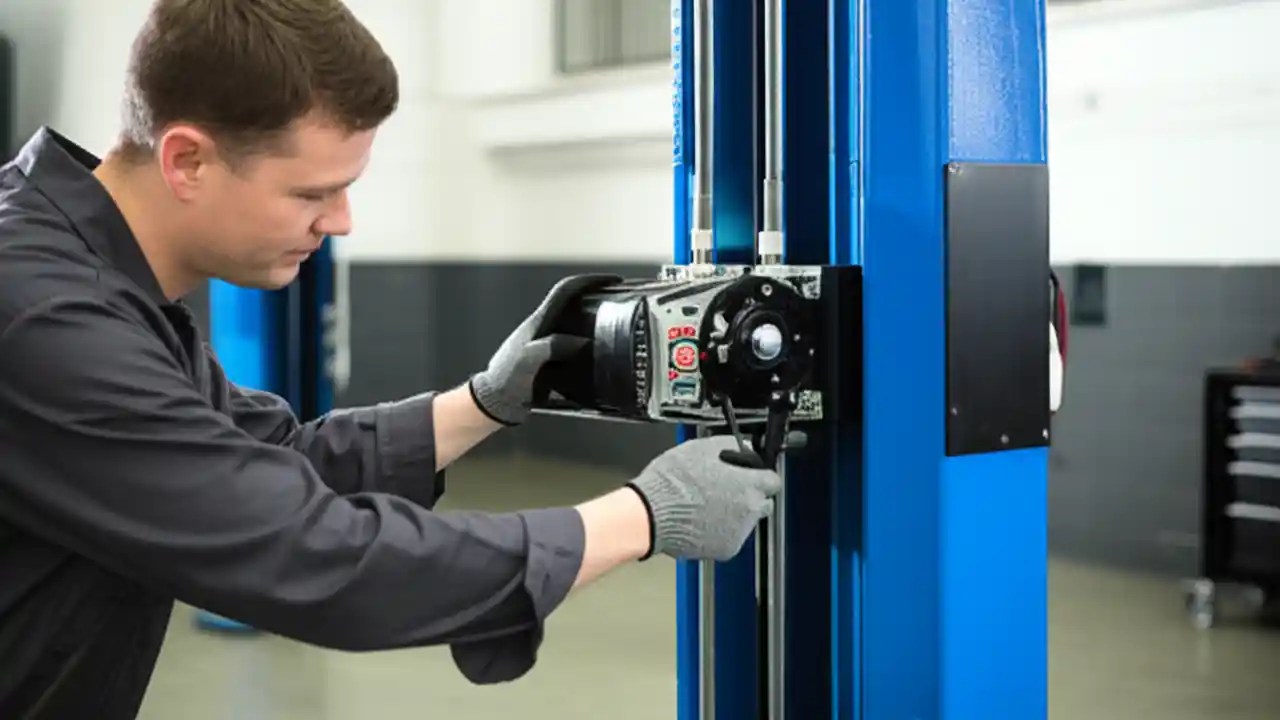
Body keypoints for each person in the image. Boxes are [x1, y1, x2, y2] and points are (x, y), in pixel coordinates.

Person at [0, 2, 782, 718]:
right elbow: (306, 552)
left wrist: (483, 403)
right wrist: (640, 518)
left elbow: (263, 461)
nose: (340, 221)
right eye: (313, 193)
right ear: (188, 162)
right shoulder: (46, 317)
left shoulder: (91, 271)